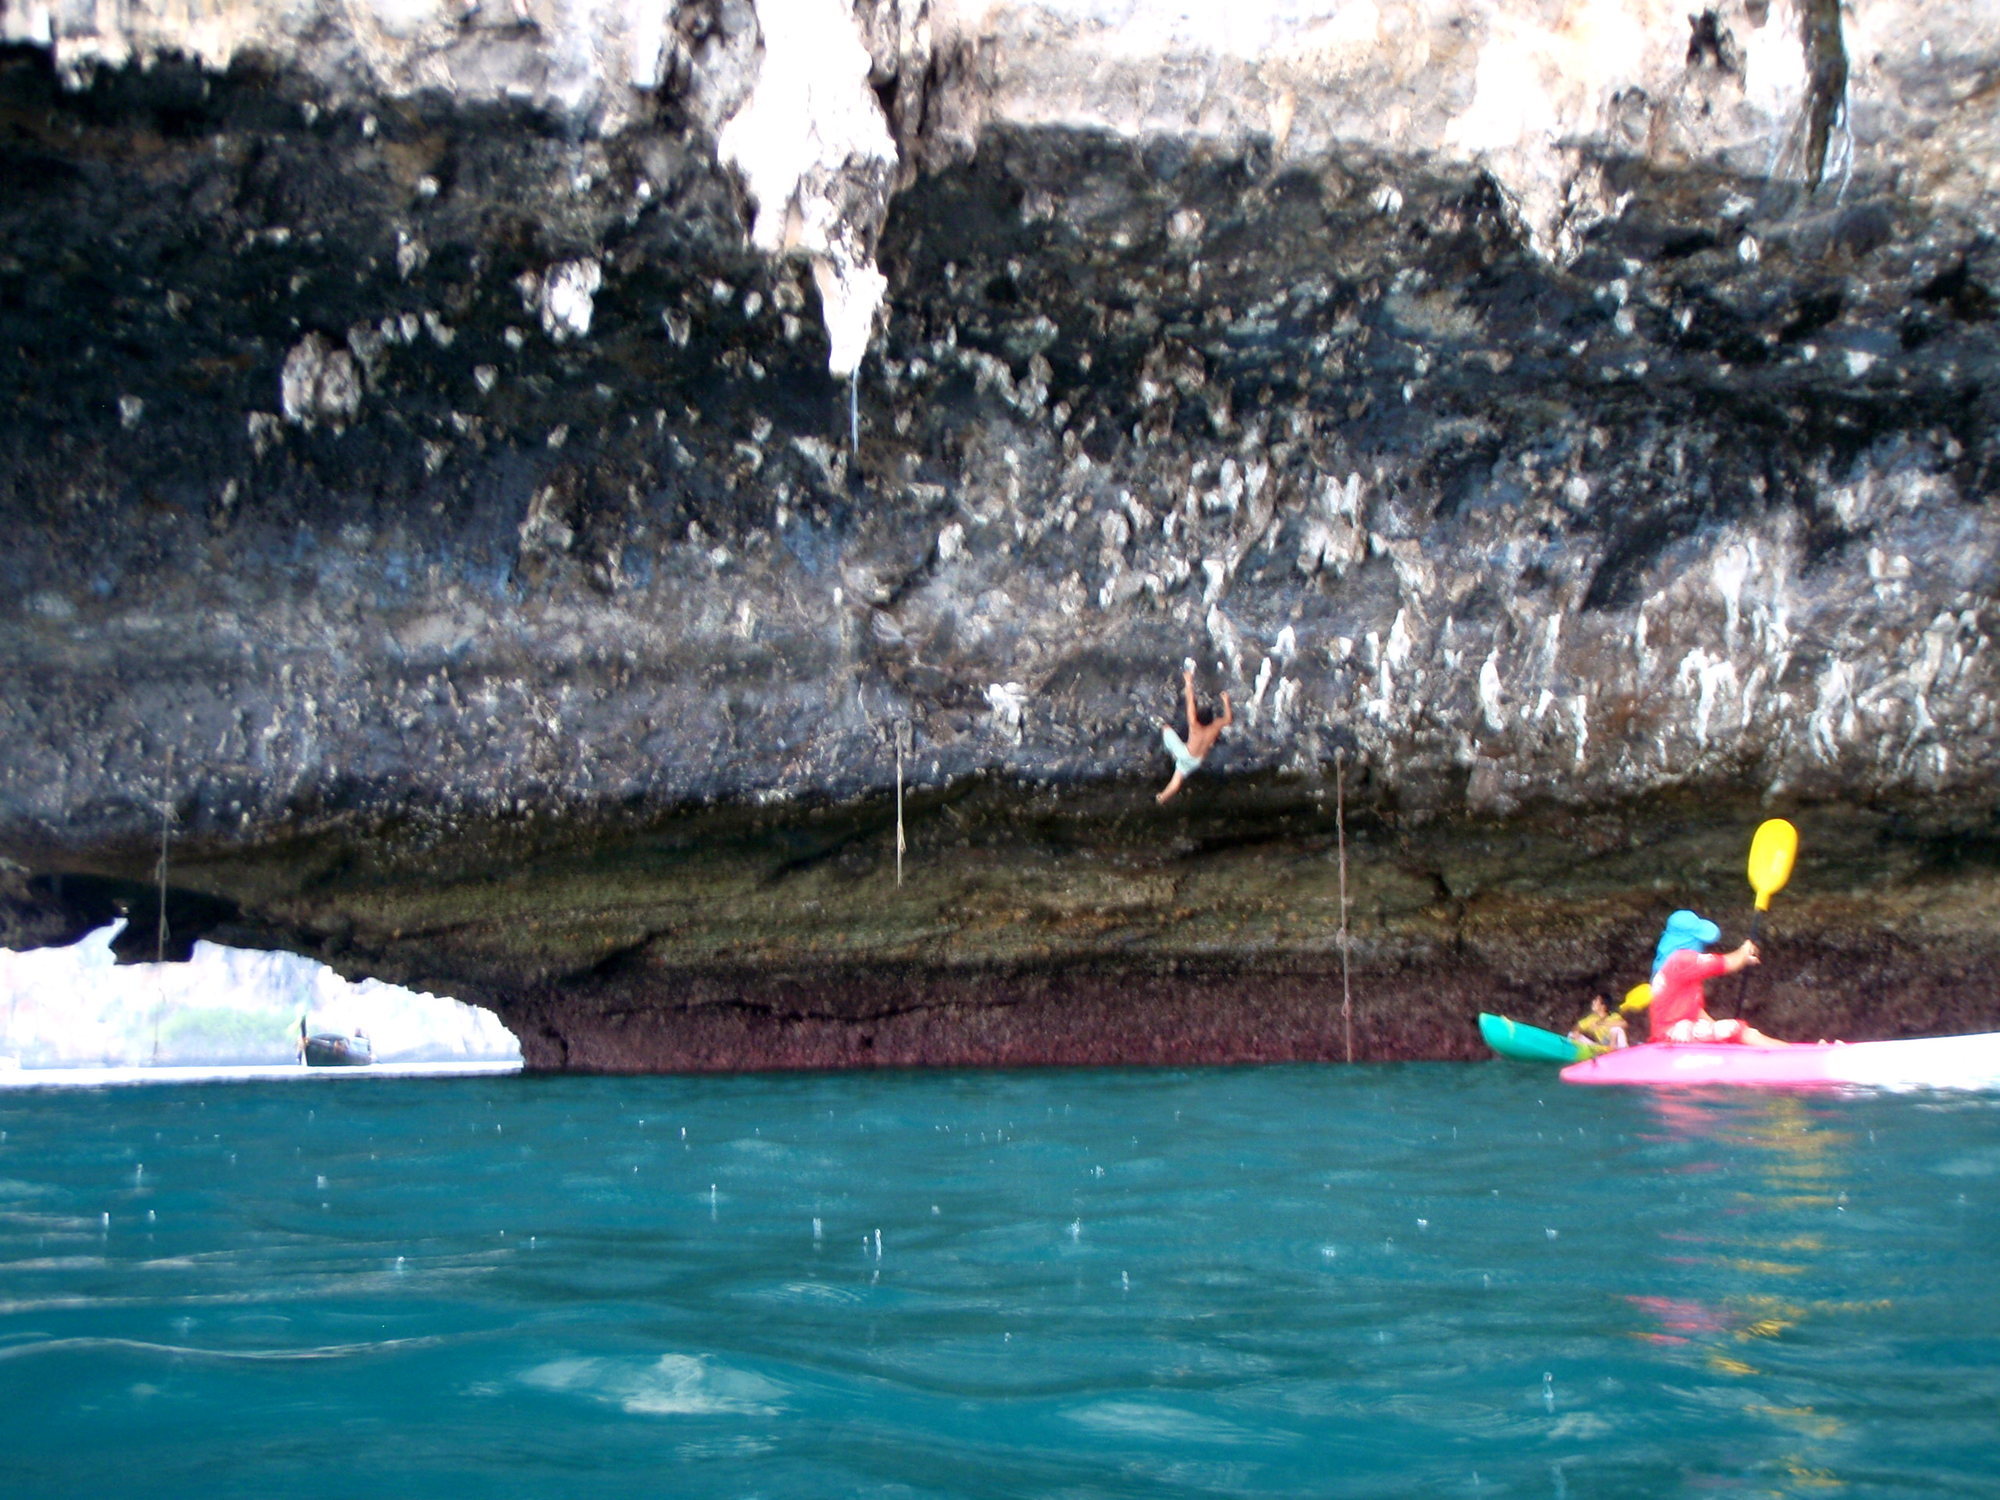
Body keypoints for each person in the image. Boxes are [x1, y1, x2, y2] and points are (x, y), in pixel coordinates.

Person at [1645, 909, 1789, 1047]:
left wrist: (1714, 1028)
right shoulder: (1682, 959)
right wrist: (1745, 950)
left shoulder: (1668, 962)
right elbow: (1728, 963)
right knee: (1735, 1028)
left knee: (1729, 1031)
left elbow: (1693, 1010)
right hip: (1672, 1034)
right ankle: (1792, 1055)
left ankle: (1789, 1051)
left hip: (1675, 1030)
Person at [1156, 665, 1232, 803]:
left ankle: (1168, 751)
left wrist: (1188, 682)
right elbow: (1228, 719)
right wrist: (1226, 702)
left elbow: (1190, 705)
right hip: (1196, 761)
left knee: (1165, 728)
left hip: (1184, 753)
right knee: (1177, 779)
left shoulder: (1195, 727)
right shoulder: (1215, 728)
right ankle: (1161, 797)